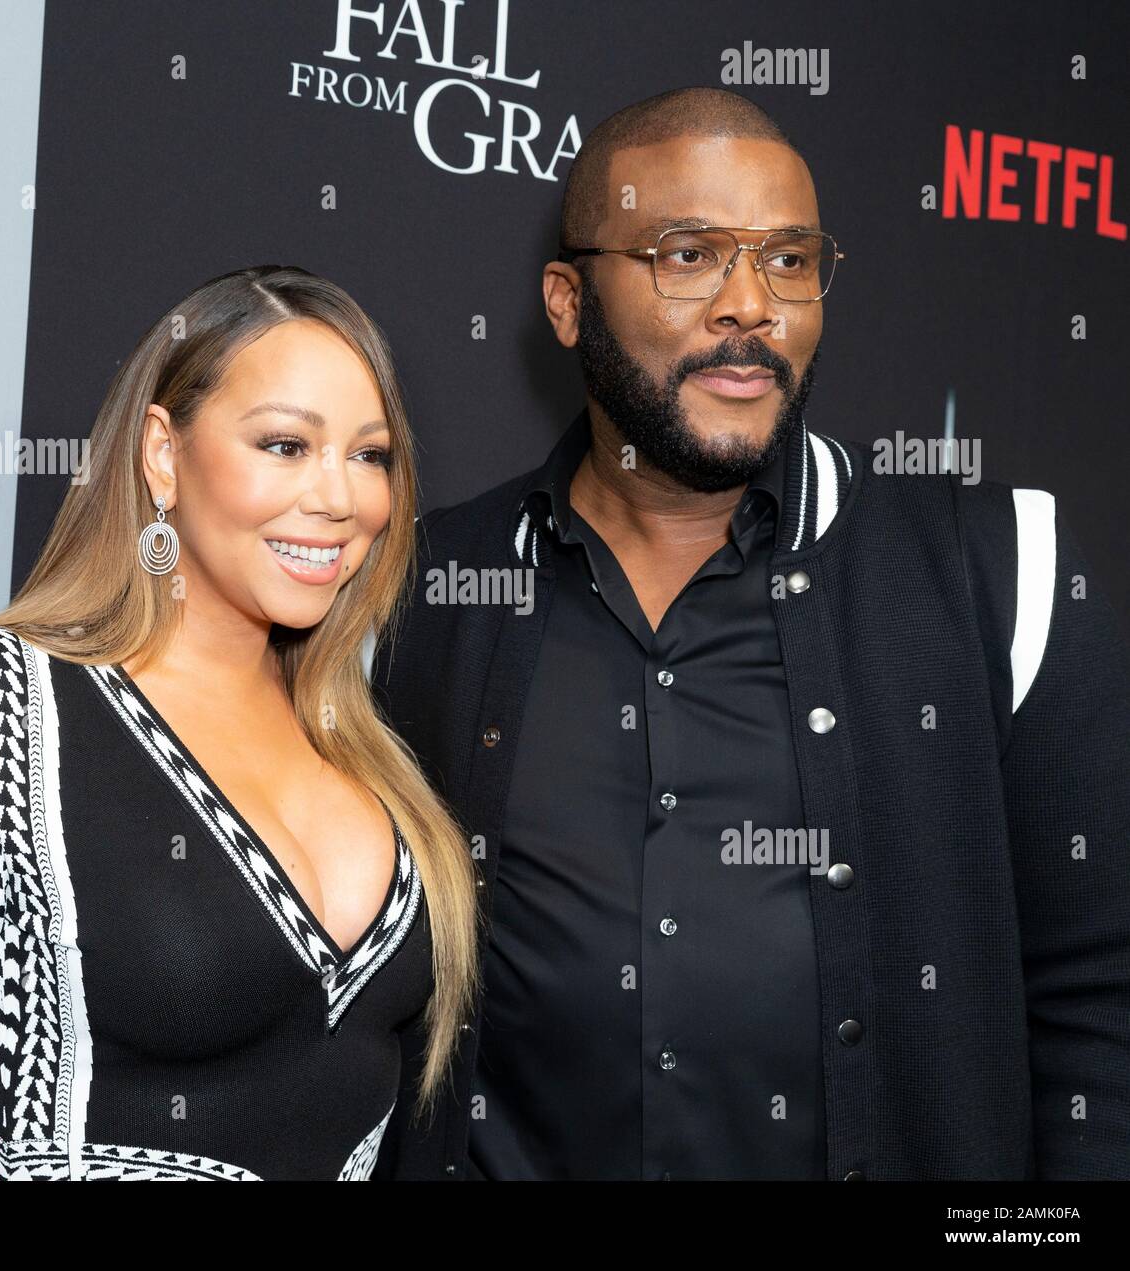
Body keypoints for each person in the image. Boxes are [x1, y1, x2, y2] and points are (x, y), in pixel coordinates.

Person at [367, 87, 1130, 1180]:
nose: (750, 305)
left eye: (789, 260)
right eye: (688, 254)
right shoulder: (420, 592)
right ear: (568, 300)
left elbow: (1101, 1002)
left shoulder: (1001, 573)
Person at [0, 265, 479, 1181]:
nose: (342, 498)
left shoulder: (365, 746)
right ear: (162, 454)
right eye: (287, 445)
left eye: (371, 455)